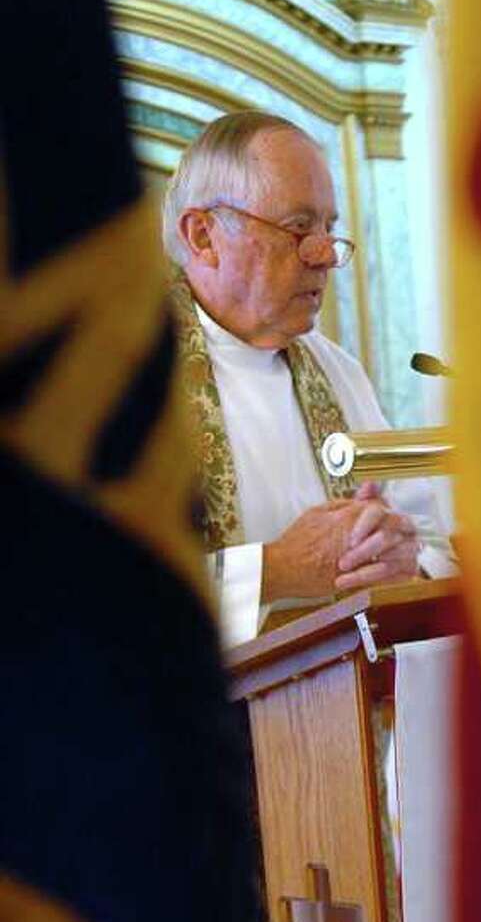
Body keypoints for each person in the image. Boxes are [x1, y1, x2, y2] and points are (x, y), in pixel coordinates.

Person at [162, 108, 454, 645]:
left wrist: (401, 559)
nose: (324, 255)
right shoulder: (130, 380)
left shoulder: (336, 371)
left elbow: (433, 545)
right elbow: (78, 597)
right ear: (203, 236)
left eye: (329, 228)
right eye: (298, 228)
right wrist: (274, 570)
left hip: (344, 718)